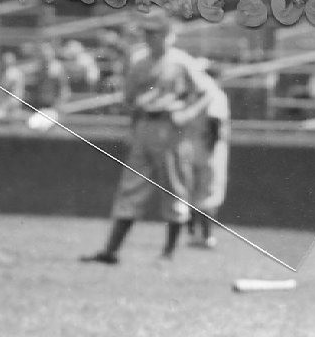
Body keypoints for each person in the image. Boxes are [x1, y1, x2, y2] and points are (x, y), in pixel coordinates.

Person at [81, 14, 216, 265]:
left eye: (156, 33)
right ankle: (111, 251)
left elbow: (207, 92)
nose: (150, 38)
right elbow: (129, 98)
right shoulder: (139, 61)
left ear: (168, 35)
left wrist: (187, 113)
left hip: (171, 129)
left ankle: (168, 253)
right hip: (145, 126)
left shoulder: (181, 61)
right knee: (131, 188)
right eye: (148, 33)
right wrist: (134, 126)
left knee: (174, 188)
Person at [185, 61, 231, 249]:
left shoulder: (195, 95)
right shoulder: (215, 94)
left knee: (193, 193)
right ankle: (205, 236)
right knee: (208, 194)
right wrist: (210, 149)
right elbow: (215, 121)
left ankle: (194, 234)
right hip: (209, 148)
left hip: (192, 146)